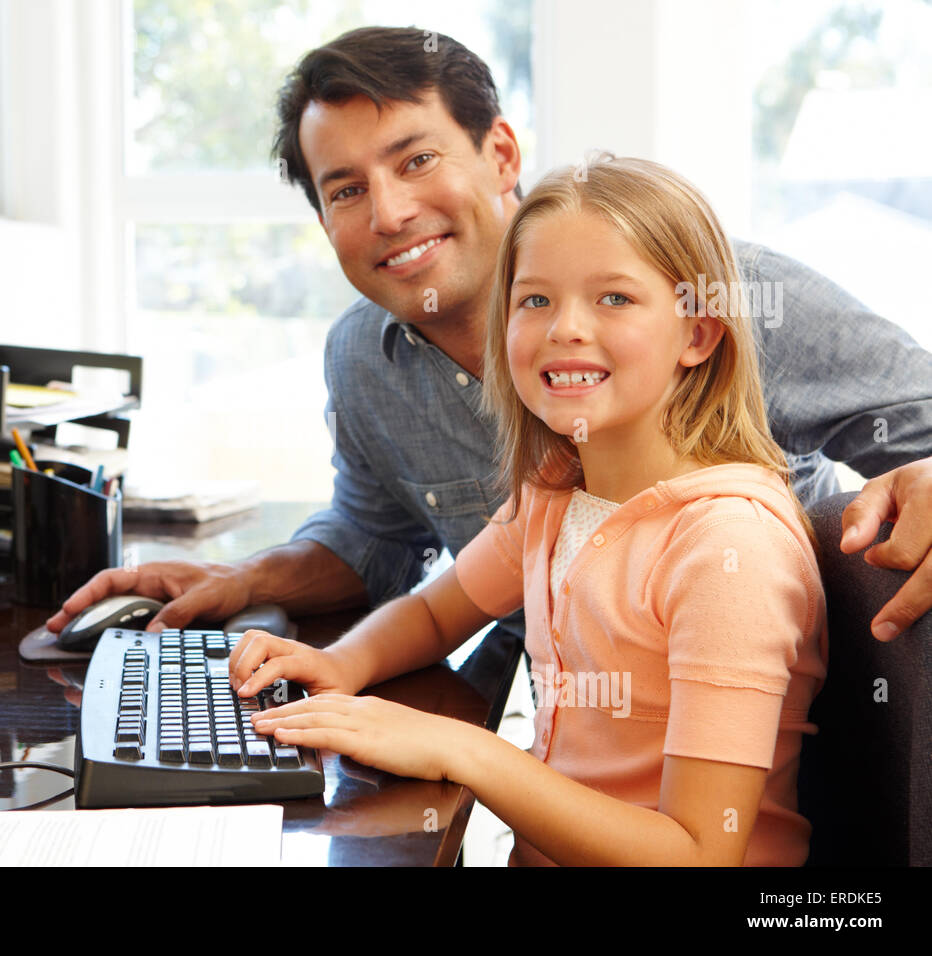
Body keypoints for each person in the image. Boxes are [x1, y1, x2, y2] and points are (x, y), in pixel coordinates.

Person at [47, 26, 932, 672]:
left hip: (776, 741)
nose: (389, 213)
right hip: (553, 732)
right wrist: (241, 578)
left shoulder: (703, 293)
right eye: (346, 189)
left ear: (500, 153)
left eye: (417, 160)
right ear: (323, 221)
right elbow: (374, 540)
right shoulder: (363, 359)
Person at [229, 155, 826, 866]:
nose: (564, 328)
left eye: (614, 299)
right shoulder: (554, 491)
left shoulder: (730, 549)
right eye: (534, 300)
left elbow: (699, 855)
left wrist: (466, 751)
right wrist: (339, 663)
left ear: (696, 335)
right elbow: (434, 613)